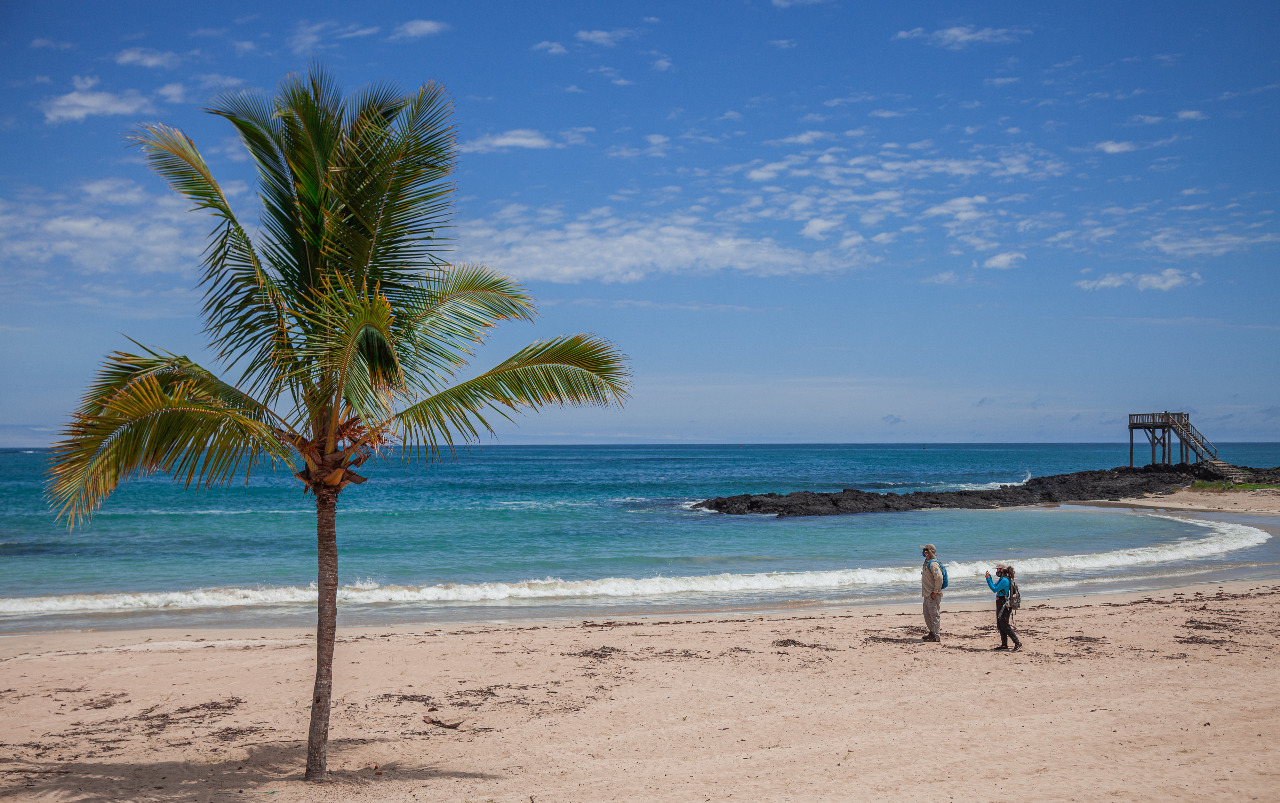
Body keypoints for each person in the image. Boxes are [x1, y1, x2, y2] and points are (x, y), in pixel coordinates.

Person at [985, 563, 1022, 651]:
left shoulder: (1005, 580)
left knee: (1004, 624)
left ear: (1002, 570)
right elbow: (995, 587)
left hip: (1004, 603)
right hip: (1000, 601)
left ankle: (1017, 642)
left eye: (998, 569)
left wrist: (988, 579)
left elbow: (994, 589)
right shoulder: (1002, 579)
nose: (996, 571)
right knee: (1000, 624)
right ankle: (1004, 644)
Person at [920, 544, 943, 642]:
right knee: (927, 615)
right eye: (924, 550)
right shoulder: (927, 562)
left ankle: (936, 636)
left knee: (934, 615)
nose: (924, 552)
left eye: (926, 550)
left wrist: (935, 592)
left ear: (930, 552)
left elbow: (939, 578)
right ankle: (932, 633)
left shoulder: (933, 564)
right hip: (927, 594)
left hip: (932, 595)